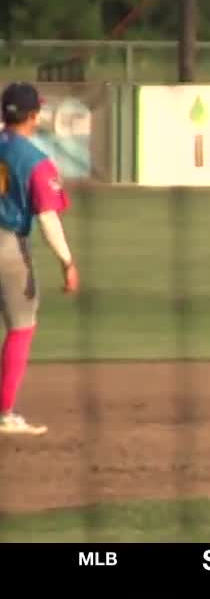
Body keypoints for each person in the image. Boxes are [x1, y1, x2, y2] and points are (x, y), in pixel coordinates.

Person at [0, 82, 78, 436]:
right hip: (8, 247)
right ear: (33, 116)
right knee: (21, 327)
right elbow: (47, 218)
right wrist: (67, 262)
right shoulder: (35, 160)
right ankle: (5, 413)